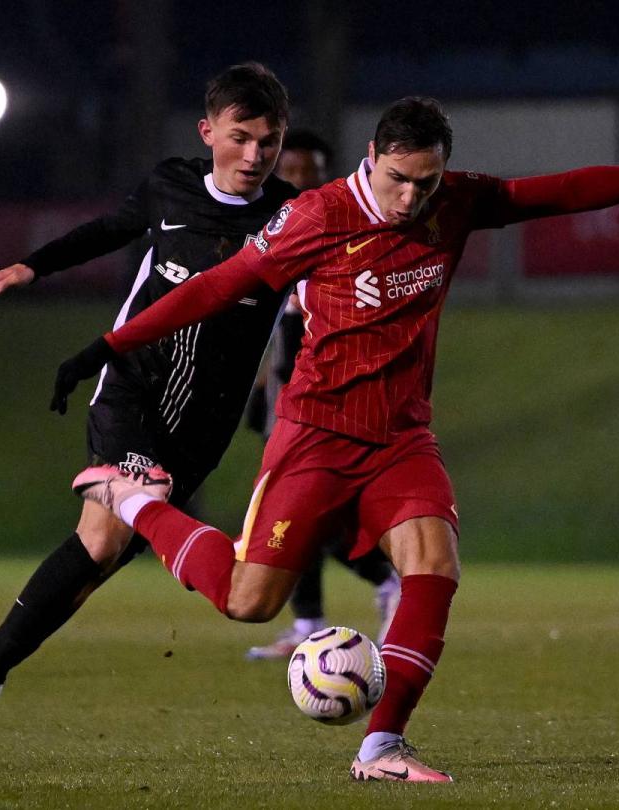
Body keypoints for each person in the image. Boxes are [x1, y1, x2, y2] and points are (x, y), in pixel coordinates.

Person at [51, 96, 619, 782]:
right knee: (248, 601)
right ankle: (130, 500)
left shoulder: (455, 200)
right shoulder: (315, 215)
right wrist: (107, 347)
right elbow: (214, 287)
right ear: (371, 158)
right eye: (398, 180)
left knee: (434, 567)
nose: (409, 198)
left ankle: (382, 745)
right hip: (315, 438)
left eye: (425, 182)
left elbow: (563, 191)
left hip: (400, 439)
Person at [0, 62, 298, 767]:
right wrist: (32, 267)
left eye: (268, 142)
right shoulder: (169, 185)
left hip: (201, 426)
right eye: (240, 138)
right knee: (111, 526)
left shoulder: (292, 218)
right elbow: (111, 228)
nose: (253, 155)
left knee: (101, 548)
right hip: (134, 389)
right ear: (208, 131)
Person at [243, 129, 400, 661]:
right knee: (298, 514)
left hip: (320, 393)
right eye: (292, 170)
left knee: (306, 514)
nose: (299, 180)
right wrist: (263, 382)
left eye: (310, 171)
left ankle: (381, 582)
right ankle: (315, 618)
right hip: (285, 385)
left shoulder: (335, 225)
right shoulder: (275, 223)